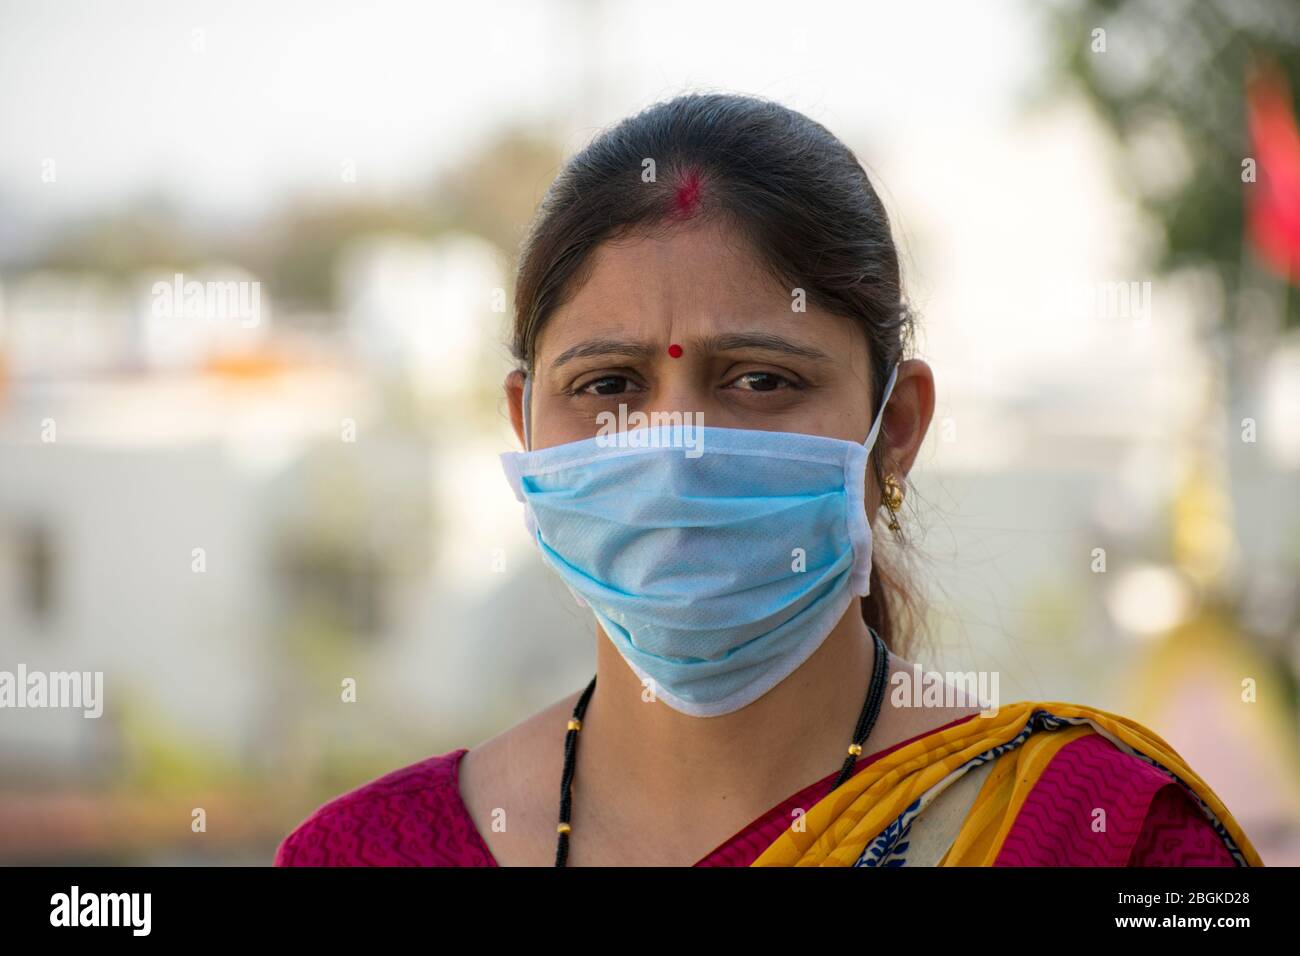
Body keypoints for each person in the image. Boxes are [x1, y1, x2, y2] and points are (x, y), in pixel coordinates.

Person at [275, 92, 1262, 867]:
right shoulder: (366, 852)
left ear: (897, 429)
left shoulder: (1085, 833)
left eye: (759, 379)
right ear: (524, 427)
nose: (675, 447)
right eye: (607, 384)